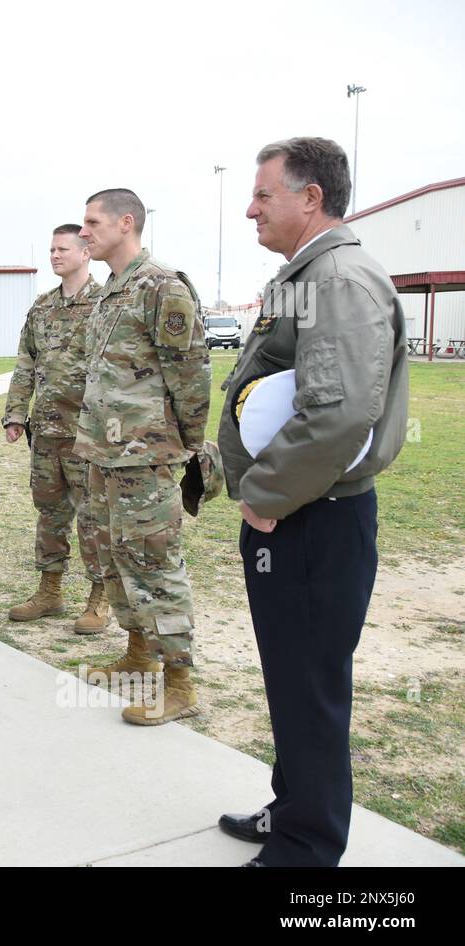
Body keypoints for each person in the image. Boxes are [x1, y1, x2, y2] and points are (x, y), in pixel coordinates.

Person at [217, 137, 408, 867]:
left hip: (311, 518)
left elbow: (339, 412)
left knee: (311, 682)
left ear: (311, 198)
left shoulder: (338, 280)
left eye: (263, 195)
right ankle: (293, 807)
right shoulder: (312, 275)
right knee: (290, 676)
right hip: (297, 512)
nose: (250, 209)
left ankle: (308, 847)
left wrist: (264, 497)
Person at [74, 188, 211, 724]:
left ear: (125, 222)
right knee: (116, 559)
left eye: (92, 222)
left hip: (145, 458)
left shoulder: (162, 288)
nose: (83, 232)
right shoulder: (112, 291)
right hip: (104, 454)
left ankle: (181, 681)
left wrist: (188, 447)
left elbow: (191, 374)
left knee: (157, 564)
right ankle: (139, 656)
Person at [3, 225, 108, 632]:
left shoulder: (104, 304)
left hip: (87, 434)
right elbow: (25, 362)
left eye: (63, 249)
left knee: (93, 517)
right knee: (50, 514)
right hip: (46, 432)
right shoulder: (42, 307)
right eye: (51, 249)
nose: (54, 255)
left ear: (85, 253)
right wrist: (15, 413)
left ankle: (100, 598)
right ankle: (50, 591)